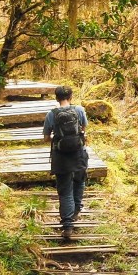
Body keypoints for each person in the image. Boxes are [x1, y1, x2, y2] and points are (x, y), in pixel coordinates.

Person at [43, 85, 89, 243]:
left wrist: (57, 139)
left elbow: (46, 137)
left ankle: (68, 226)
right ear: (71, 97)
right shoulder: (80, 110)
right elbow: (84, 130)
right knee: (79, 182)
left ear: (56, 98)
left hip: (61, 156)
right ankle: (76, 209)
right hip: (79, 153)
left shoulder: (51, 114)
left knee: (64, 190)